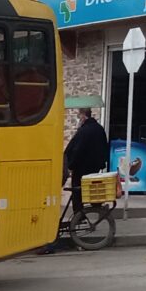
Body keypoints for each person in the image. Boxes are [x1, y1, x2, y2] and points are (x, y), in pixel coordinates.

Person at [44, 106, 109, 251]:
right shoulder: (99, 129)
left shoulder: (85, 131)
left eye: (79, 116)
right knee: (83, 191)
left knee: (77, 192)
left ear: (84, 116)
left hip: (82, 167)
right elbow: (104, 148)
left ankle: (79, 217)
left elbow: (77, 150)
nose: (78, 119)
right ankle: (82, 215)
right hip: (93, 167)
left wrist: (71, 166)